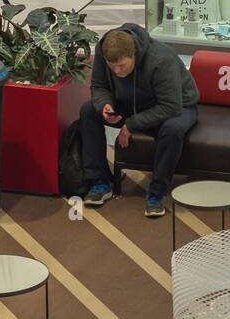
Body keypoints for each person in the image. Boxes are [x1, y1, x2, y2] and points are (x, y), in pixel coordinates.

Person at [81, 24, 200, 218]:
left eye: (123, 66)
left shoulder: (162, 59)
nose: (118, 72)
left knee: (173, 129)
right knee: (88, 111)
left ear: (134, 54)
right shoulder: (104, 52)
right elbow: (99, 85)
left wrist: (131, 124)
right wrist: (105, 105)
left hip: (178, 105)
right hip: (131, 102)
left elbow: (171, 106)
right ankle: (100, 182)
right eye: (113, 67)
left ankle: (157, 193)